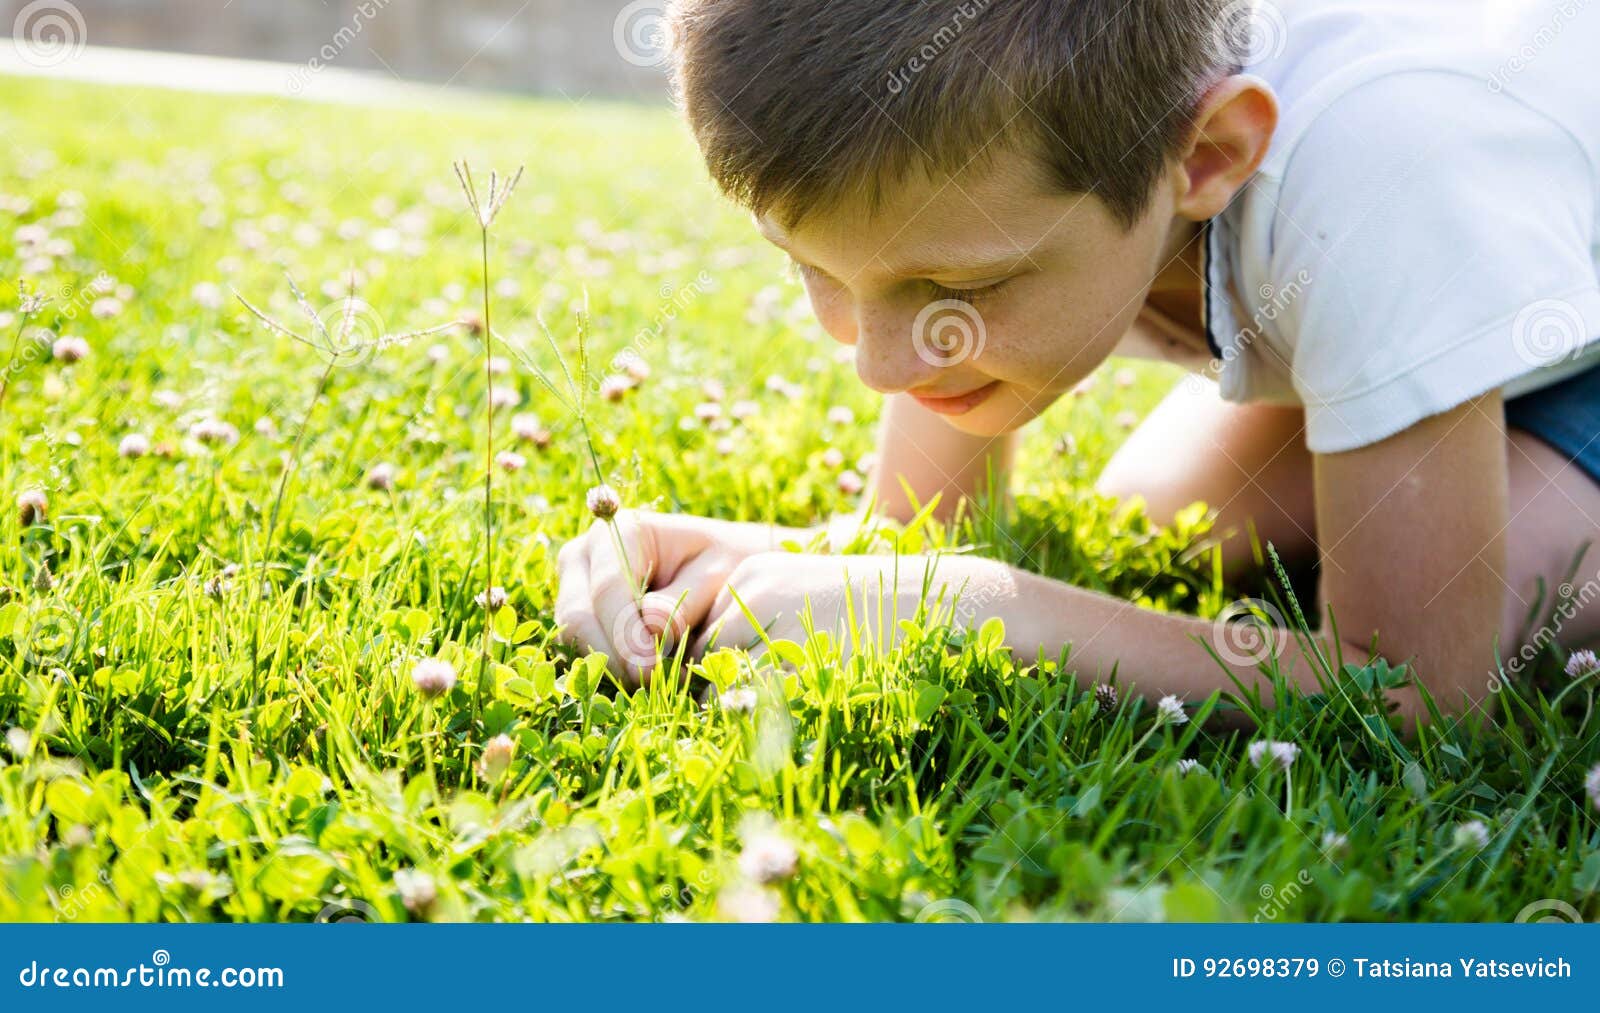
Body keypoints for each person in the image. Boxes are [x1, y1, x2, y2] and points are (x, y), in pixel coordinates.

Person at [555, 0, 1600, 721]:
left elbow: (1413, 693)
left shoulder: (1385, 168)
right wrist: (747, 569)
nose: (876, 363)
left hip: (1503, 273)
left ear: (1205, 156)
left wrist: (977, 605)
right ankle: (1432, 379)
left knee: (1497, 618)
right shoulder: (1003, 161)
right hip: (1454, 267)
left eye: (952, 291)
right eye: (810, 264)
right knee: (1169, 525)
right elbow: (916, 537)